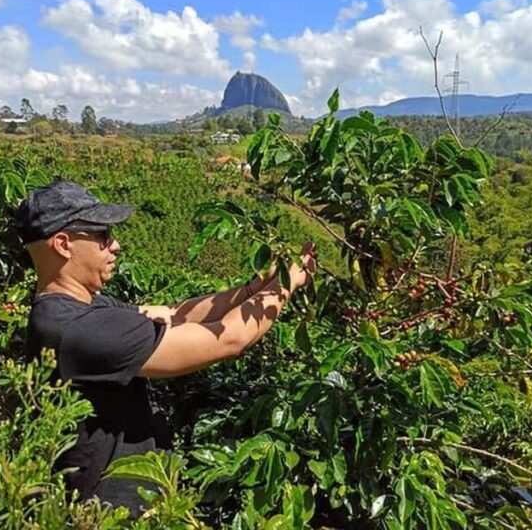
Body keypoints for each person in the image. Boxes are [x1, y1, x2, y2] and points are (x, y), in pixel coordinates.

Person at [16, 180, 315, 515]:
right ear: (63, 244)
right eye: (103, 235)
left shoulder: (73, 311)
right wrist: (290, 281)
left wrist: (256, 286)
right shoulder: (83, 330)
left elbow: (175, 314)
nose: (116, 245)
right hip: (114, 516)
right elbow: (231, 338)